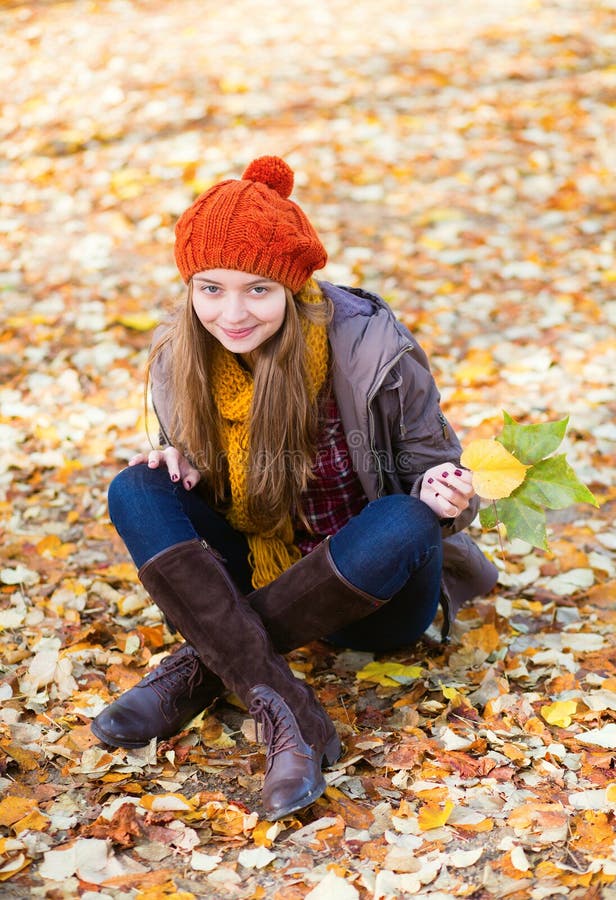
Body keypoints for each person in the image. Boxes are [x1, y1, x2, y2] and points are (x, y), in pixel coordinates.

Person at [91, 156, 498, 820]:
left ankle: (201, 669)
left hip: (375, 588)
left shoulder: (370, 347)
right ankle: (291, 713)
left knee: (404, 518)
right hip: (257, 567)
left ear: (292, 282)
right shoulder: (179, 357)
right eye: (210, 288)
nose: (232, 313)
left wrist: (447, 491)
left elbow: (438, 466)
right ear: (190, 287)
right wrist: (183, 461)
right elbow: (197, 476)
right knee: (136, 487)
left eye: (258, 289)